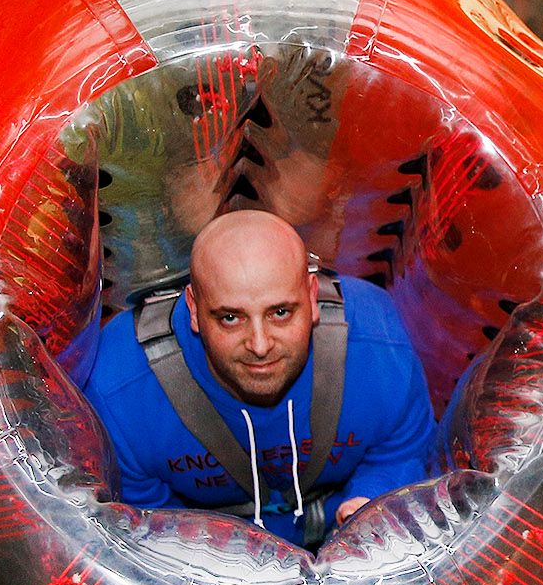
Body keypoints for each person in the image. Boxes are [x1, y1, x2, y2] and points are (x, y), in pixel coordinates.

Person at [83, 209, 441, 550]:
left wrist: (371, 500)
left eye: (281, 313)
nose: (259, 345)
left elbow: (402, 453)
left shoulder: (380, 351)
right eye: (229, 318)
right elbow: (143, 527)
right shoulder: (121, 393)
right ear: (193, 309)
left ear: (313, 298)